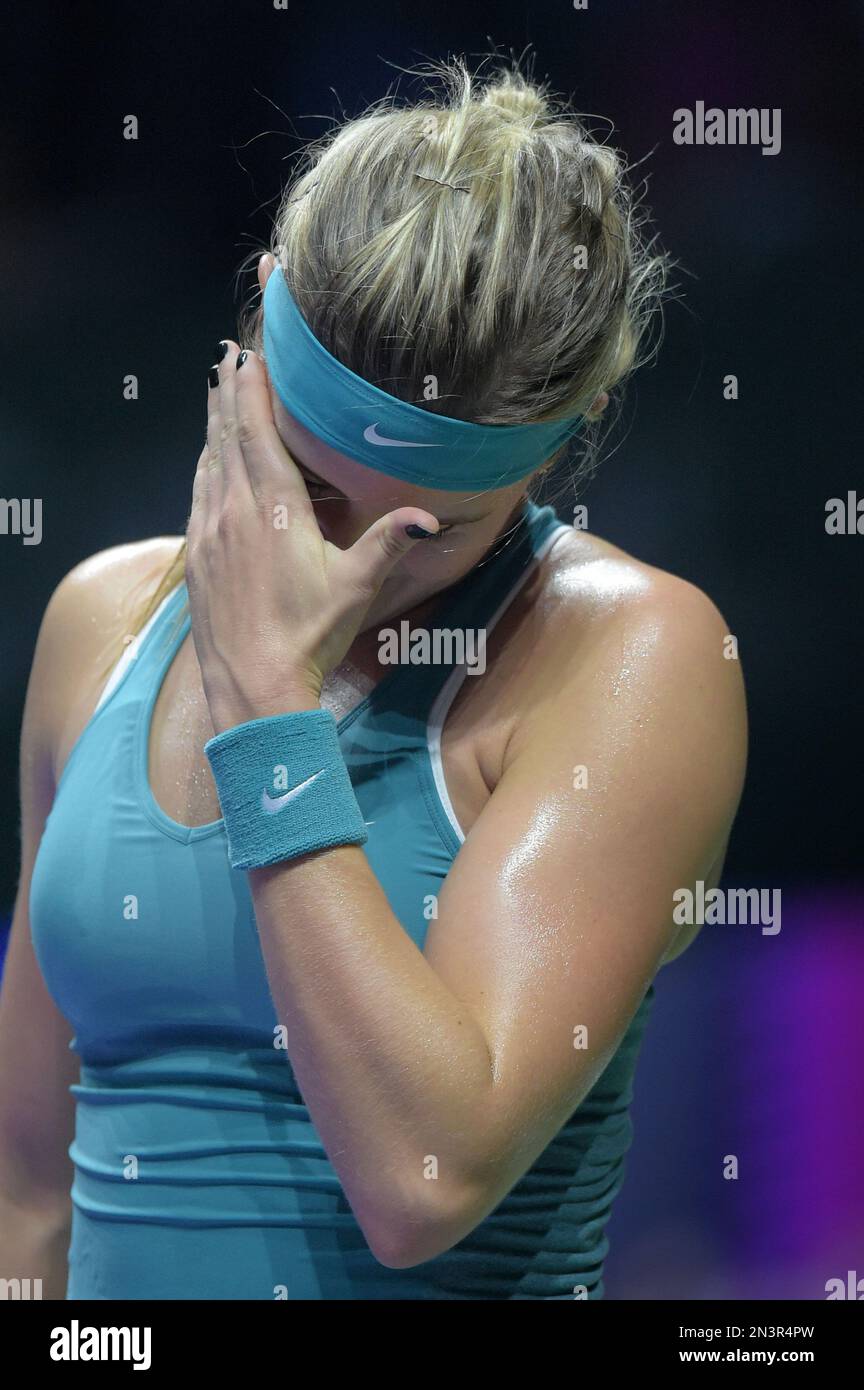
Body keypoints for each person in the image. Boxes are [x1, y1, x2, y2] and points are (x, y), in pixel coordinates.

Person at [0, 58, 746, 1299]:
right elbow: (24, 1181)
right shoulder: (102, 616)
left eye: (426, 533)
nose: (347, 565)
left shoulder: (635, 655)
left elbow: (421, 1182)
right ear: (259, 313)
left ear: (584, 419)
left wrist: (270, 700)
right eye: (314, 487)